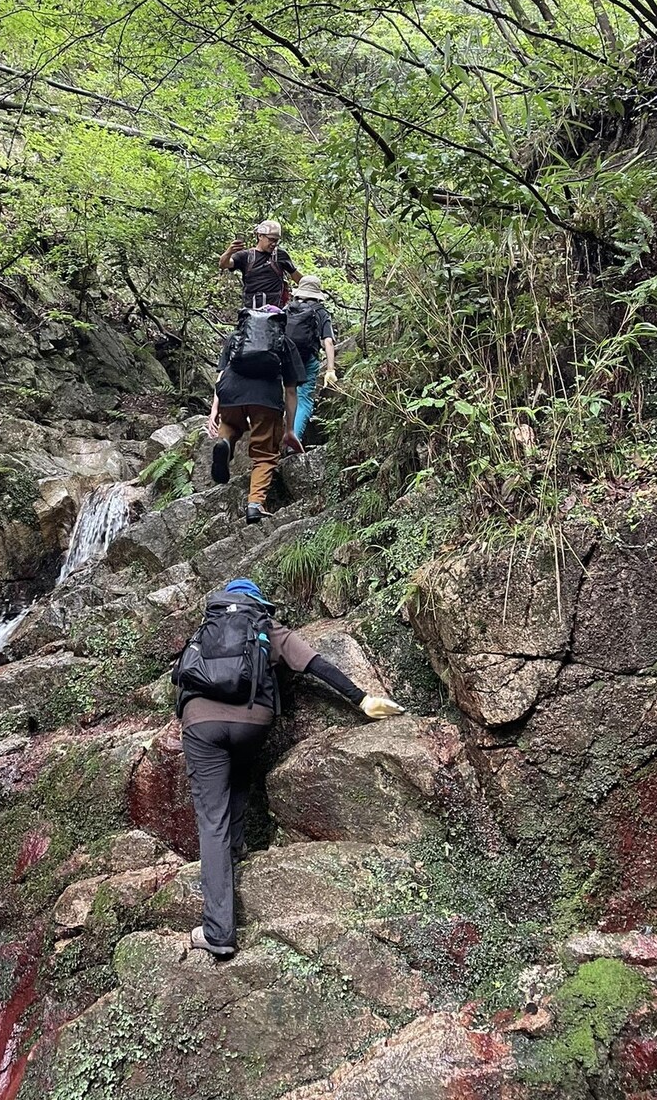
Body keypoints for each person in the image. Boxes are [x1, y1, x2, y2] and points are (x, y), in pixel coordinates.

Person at [177, 577, 405, 957]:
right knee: (241, 773)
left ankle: (218, 931)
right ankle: (235, 852)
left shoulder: (207, 628)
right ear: (256, 601)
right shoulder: (265, 626)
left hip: (201, 722)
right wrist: (361, 699)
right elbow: (316, 664)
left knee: (210, 818)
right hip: (253, 720)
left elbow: (184, 677)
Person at [207, 310, 306, 524]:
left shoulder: (235, 338)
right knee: (265, 453)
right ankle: (255, 504)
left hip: (230, 394)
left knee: (230, 424)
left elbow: (221, 375)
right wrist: (289, 430)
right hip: (265, 399)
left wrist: (214, 409)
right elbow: (291, 391)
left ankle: (225, 442)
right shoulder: (284, 343)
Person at [284, 275, 337, 445]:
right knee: (304, 398)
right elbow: (327, 341)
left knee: (285, 396)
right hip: (307, 360)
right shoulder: (320, 312)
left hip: (284, 359)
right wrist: (330, 369)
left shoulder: (288, 309)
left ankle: (273, 441)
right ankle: (293, 440)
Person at [218, 220, 302, 308]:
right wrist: (229, 252)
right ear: (260, 236)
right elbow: (223, 264)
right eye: (271, 239)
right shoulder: (246, 256)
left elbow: (297, 277)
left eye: (276, 241)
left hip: (275, 312)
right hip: (251, 312)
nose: (274, 244)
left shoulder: (280, 255)